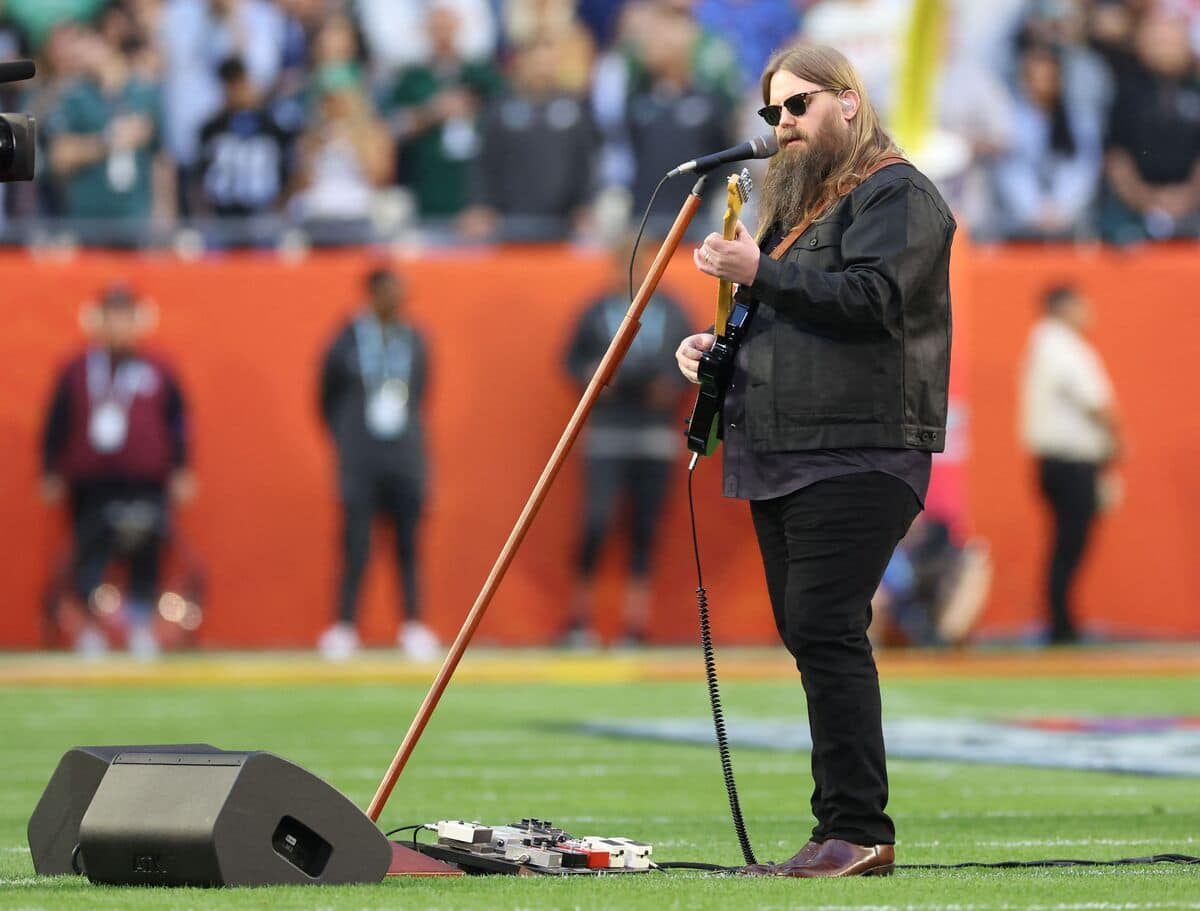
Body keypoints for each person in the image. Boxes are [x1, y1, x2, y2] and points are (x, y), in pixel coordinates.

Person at [675, 44, 955, 877]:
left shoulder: (897, 191)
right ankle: (846, 826)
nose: (785, 125)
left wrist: (759, 271)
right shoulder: (794, 210)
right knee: (813, 631)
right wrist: (717, 350)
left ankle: (858, 828)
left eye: (799, 106)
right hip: (787, 447)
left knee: (827, 626)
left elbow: (872, 300)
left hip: (860, 444)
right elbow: (790, 318)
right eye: (773, 112)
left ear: (848, 102)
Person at [40, 282, 194, 659]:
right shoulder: (76, 370)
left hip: (146, 478)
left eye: (126, 317)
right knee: (89, 554)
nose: (118, 326)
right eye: (112, 317)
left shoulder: (159, 369)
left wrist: (181, 468)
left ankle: (141, 626)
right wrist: (50, 470)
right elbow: (56, 422)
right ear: (98, 321)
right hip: (91, 480)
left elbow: (178, 422)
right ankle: (91, 628)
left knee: (147, 552)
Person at [561, 237, 691, 648]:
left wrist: (671, 386)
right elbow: (570, 360)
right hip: (608, 432)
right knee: (596, 522)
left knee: (645, 528)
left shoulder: (672, 311)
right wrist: (595, 378)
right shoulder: (597, 311)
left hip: (654, 433)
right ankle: (579, 618)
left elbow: (696, 358)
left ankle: (636, 622)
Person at [317, 266, 439, 662]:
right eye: (386, 291)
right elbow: (325, 397)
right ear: (369, 294)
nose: (395, 299)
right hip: (361, 457)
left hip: (404, 456)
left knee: (408, 543)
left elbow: (422, 390)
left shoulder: (415, 338)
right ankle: (345, 625)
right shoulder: (348, 338)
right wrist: (347, 438)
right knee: (355, 543)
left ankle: (413, 624)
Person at [1020, 285, 1121, 645]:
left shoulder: (1045, 344)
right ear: (1065, 306)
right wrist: (1118, 442)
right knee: (1069, 543)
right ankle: (1062, 626)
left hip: (1057, 462)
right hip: (1071, 462)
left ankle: (1062, 621)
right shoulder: (1062, 346)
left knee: (1065, 543)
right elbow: (1095, 403)